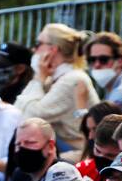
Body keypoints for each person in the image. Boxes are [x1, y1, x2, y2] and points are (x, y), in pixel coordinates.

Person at [15, 23, 98, 153]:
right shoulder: (53, 79)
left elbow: (29, 119)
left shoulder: (73, 79)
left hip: (79, 152)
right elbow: (18, 109)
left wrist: (38, 79)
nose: (33, 49)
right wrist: (40, 78)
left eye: (38, 44)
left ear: (52, 49)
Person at [84, 31, 122, 108]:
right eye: (92, 59)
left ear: (120, 61)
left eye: (103, 59)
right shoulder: (116, 88)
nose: (97, 65)